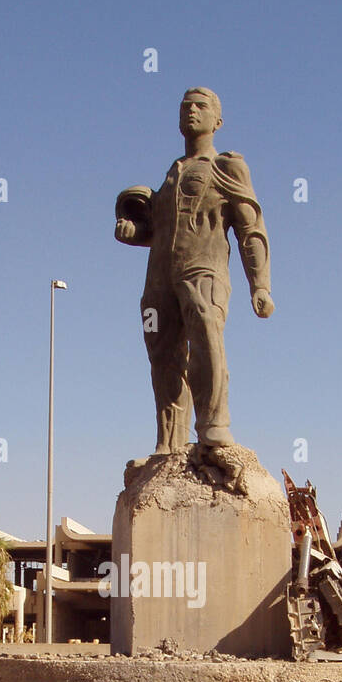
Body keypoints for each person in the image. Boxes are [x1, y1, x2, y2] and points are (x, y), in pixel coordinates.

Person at [115, 87, 274, 455]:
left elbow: (252, 230)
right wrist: (133, 232)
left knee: (206, 339)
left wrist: (260, 285)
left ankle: (214, 426)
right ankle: (169, 442)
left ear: (217, 120)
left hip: (204, 270)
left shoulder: (227, 167)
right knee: (162, 352)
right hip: (159, 279)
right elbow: (158, 230)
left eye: (200, 105)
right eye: (185, 105)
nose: (191, 110)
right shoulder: (171, 174)